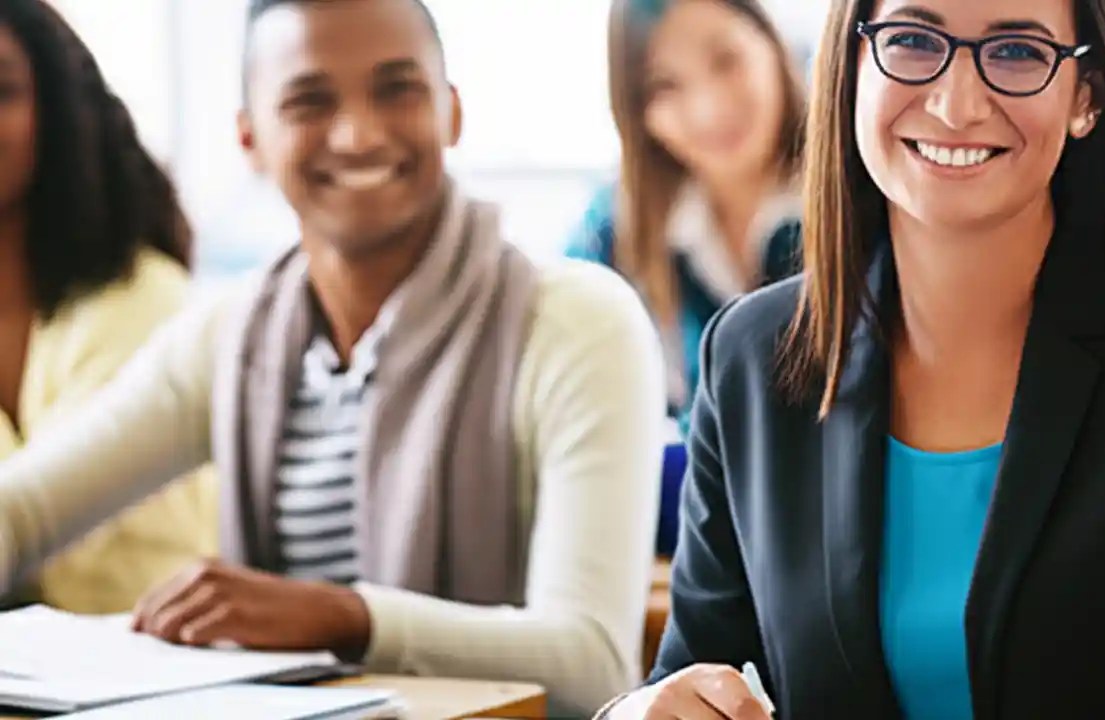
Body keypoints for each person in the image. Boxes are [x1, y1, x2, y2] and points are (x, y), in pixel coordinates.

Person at [602, 0, 1105, 717]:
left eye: (1017, 52)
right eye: (913, 40)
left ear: (1088, 96)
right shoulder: (753, 359)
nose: (957, 104)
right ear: (850, 69)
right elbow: (691, 679)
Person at [0, 0, 665, 714]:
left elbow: (594, 663)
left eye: (396, 89)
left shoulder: (577, 323)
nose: (356, 134)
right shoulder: (234, 337)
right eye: (309, 101)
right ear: (249, 139)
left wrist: (347, 617)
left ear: (452, 111)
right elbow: (26, 510)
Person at [0, 0, 215, 615]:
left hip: (148, 676)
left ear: (57, 111)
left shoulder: (143, 299)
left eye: (1, 90)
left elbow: (63, 530)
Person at [567, 0, 807, 432]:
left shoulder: (865, 195)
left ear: (771, 41)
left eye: (726, 60)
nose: (709, 109)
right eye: (664, 86)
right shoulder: (616, 230)